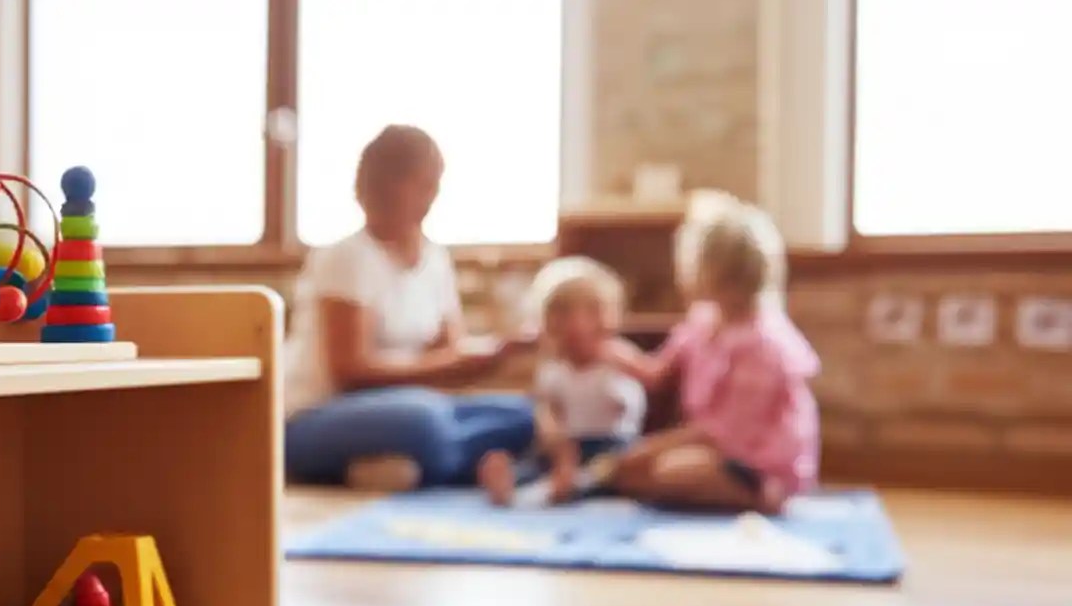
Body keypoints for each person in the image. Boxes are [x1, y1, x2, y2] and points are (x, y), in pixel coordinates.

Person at [284, 125, 534, 488]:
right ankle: (461, 464)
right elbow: (350, 372)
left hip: (408, 407)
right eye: (416, 184)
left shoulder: (435, 260)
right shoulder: (348, 257)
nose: (426, 196)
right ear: (377, 187)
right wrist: (450, 364)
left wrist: (497, 352)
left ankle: (404, 469)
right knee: (424, 420)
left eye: (431, 185)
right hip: (321, 414)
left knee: (525, 414)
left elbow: (450, 352)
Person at [599, 193, 821, 514]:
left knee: (671, 470)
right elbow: (656, 373)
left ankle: (765, 496)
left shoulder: (763, 345)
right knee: (641, 471)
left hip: (755, 461)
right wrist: (604, 348)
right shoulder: (702, 323)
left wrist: (650, 449)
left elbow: (725, 433)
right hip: (712, 448)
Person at [478, 257, 645, 506]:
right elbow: (548, 411)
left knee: (614, 470)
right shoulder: (553, 370)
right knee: (534, 463)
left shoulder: (619, 358)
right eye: (564, 312)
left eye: (592, 310)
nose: (578, 324)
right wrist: (556, 443)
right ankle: (512, 481)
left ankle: (570, 485)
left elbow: (639, 397)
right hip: (566, 446)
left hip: (613, 443)